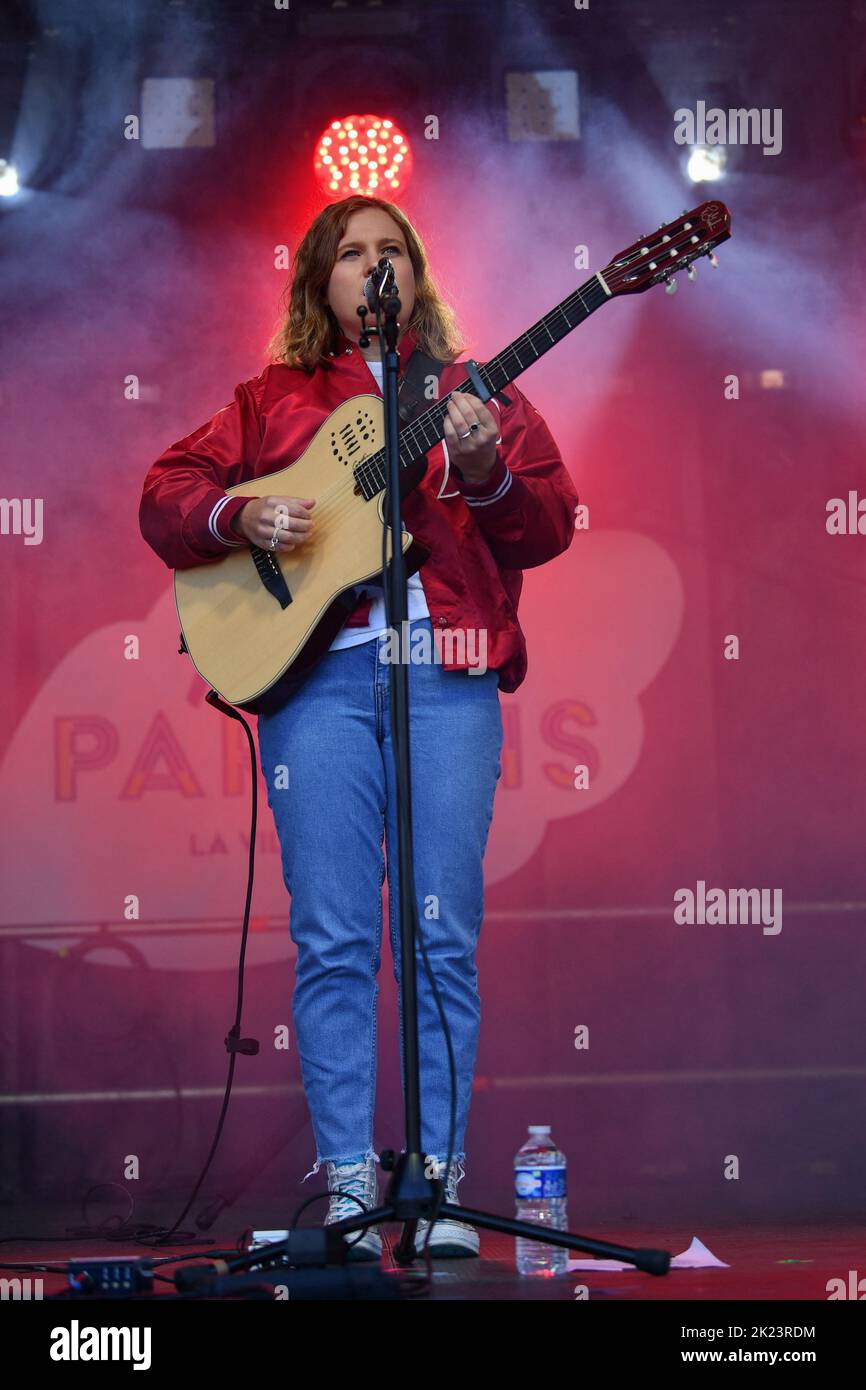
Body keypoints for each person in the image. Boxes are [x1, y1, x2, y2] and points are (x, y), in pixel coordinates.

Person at [139, 194, 579, 1261]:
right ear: (320, 284)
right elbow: (166, 494)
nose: (373, 268)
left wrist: (480, 470)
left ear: (416, 275)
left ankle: (432, 1184)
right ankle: (346, 1182)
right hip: (320, 683)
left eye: (391, 252)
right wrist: (239, 512)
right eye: (352, 254)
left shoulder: (479, 393)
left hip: (447, 670)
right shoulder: (270, 400)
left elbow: (548, 526)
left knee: (439, 938)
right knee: (335, 939)